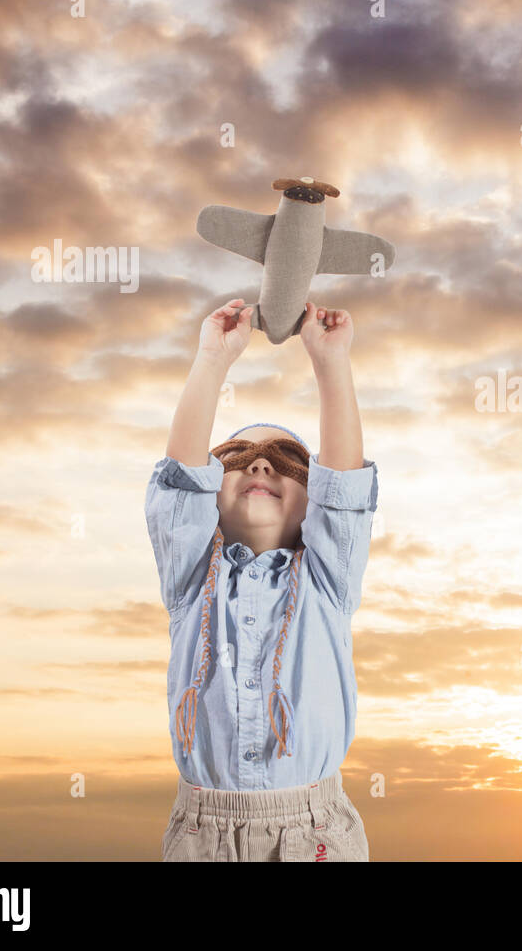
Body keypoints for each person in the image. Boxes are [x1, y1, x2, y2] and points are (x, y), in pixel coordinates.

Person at [144, 298, 377, 861]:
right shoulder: (191, 578)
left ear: (312, 504)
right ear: (211, 503)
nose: (261, 464)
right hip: (203, 834)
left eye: (285, 459)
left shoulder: (328, 581)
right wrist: (211, 360)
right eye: (238, 457)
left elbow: (345, 487)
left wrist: (330, 363)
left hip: (314, 833)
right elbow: (179, 484)